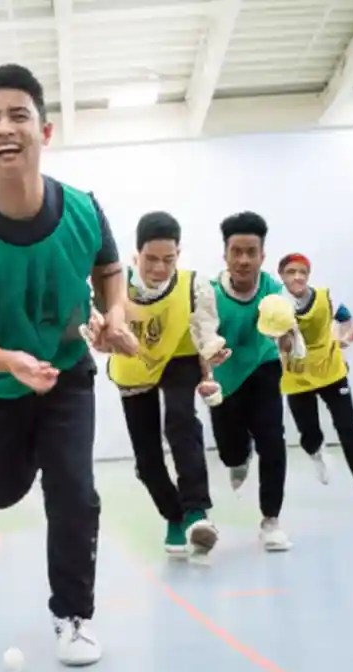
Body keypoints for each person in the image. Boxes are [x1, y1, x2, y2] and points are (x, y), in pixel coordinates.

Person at [0, 63, 136, 667]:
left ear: (44, 131)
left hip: (67, 373)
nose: (4, 127)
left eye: (18, 115)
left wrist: (115, 316)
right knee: (4, 487)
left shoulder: (84, 209)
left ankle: (72, 616)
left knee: (74, 490)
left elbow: (109, 272)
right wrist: (12, 361)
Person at [104, 211, 229, 557]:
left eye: (168, 259)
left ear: (178, 254)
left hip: (178, 354)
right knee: (147, 461)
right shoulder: (115, 284)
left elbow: (206, 329)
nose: (160, 268)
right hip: (133, 364)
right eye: (151, 259)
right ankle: (174, 515)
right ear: (136, 255)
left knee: (181, 421)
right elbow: (97, 326)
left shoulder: (193, 285)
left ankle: (196, 512)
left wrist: (212, 352)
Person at [208, 211, 306, 552]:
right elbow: (200, 339)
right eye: (236, 251)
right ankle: (238, 461)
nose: (244, 260)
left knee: (272, 440)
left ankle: (271, 520)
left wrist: (288, 341)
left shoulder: (274, 291)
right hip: (225, 379)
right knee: (231, 452)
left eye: (251, 252)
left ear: (262, 256)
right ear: (225, 254)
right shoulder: (210, 294)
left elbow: (288, 337)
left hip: (263, 369)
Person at [276, 253, 353, 515]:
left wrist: (343, 339)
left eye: (303, 272)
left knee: (349, 427)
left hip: (330, 369)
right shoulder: (276, 305)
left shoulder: (324, 297)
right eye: (291, 272)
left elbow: (346, 317)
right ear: (282, 275)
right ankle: (317, 453)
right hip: (297, 374)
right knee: (309, 432)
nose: (298, 277)